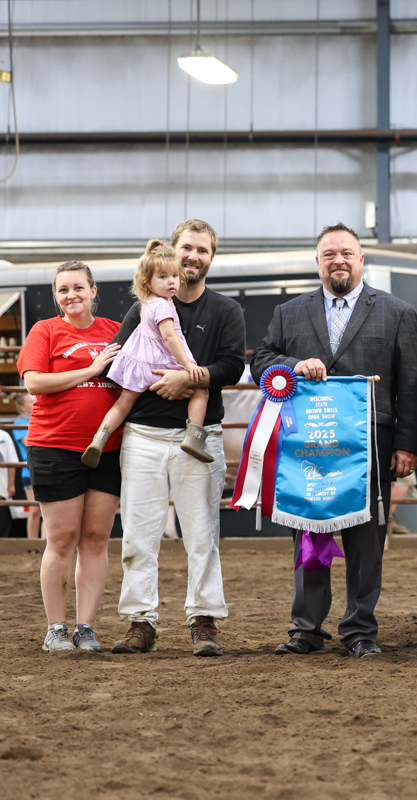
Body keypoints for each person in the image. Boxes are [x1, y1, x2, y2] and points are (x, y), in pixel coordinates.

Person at [251, 223, 417, 658]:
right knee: (309, 537)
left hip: (372, 449)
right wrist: (293, 364)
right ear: (318, 262)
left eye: (346, 252)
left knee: (367, 542)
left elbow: (413, 384)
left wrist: (408, 445)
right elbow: (263, 363)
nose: (338, 260)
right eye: (329, 254)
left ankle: (360, 630)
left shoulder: (397, 312)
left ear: (361, 258)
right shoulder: (288, 313)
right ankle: (306, 629)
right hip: (307, 449)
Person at [110, 219, 246, 657]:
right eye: (187, 247)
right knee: (138, 533)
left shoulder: (226, 311)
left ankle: (204, 621)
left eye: (202, 250)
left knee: (203, 532)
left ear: (211, 257)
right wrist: (163, 382)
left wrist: (186, 380)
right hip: (144, 434)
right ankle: (140, 621)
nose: (193, 257)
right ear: (172, 250)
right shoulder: (143, 308)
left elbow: (232, 367)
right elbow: (121, 361)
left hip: (199, 436)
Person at [16, 262, 124, 652]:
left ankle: (86, 627)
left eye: (79, 287)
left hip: (107, 448)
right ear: (56, 296)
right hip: (54, 446)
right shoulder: (44, 331)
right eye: (63, 290)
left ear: (94, 291)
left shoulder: (115, 331)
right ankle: (56, 628)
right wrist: (91, 370)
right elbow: (34, 382)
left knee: (96, 539)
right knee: (61, 538)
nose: (71, 296)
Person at [83, 240, 212, 467]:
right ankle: (194, 437)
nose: (171, 281)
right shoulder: (164, 305)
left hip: (140, 363)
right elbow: (170, 337)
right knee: (201, 391)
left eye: (174, 275)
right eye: (163, 277)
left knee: (124, 403)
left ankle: (100, 437)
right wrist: (188, 365)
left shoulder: (147, 301)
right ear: (147, 282)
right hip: (162, 363)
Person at [11, 392, 40, 538]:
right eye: (30, 401)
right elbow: (29, 442)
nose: (35, 403)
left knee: (47, 508)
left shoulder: (39, 419)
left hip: (43, 466)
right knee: (35, 509)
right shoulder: (19, 423)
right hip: (29, 470)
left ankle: (44, 542)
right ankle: (32, 542)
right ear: (23, 407)